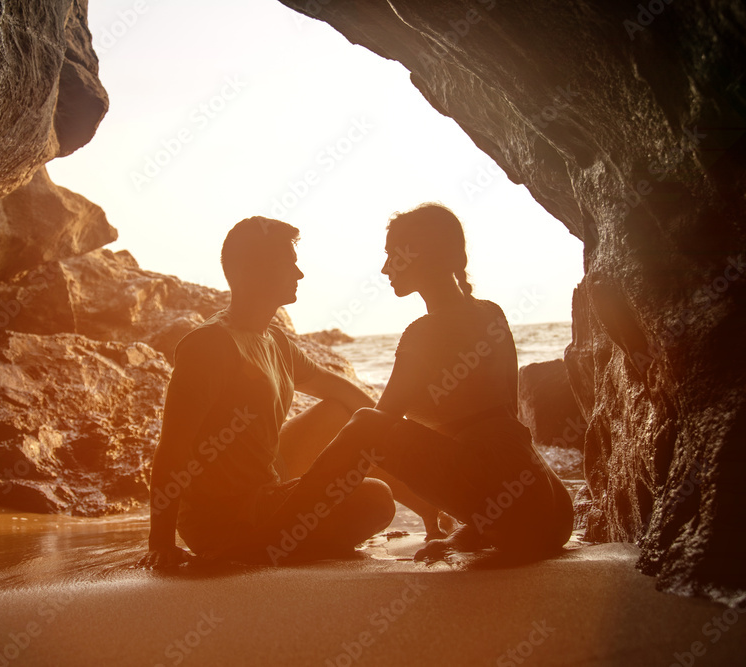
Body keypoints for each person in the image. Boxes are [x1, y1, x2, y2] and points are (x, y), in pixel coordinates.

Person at [283, 203, 575, 562]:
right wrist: (464, 537)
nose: (385, 267)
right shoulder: (491, 312)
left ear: (421, 256)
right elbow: (506, 430)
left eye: (393, 255)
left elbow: (373, 430)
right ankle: (479, 530)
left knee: (366, 424)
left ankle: (280, 521)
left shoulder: (422, 334)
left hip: (508, 506)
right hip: (552, 511)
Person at [139, 216, 401, 569]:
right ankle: (251, 550)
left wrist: (407, 456)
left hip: (265, 486)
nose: (300, 274)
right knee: (376, 500)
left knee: (341, 412)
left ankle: (427, 510)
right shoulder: (210, 344)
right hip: (223, 518)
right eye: (289, 263)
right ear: (254, 271)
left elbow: (343, 392)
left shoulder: (273, 338)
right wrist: (161, 543)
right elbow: (172, 447)